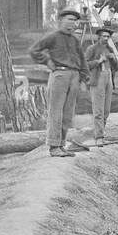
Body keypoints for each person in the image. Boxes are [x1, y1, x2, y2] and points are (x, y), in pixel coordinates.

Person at [29, 8, 90, 157]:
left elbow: (82, 60)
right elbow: (34, 50)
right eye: (69, 19)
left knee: (67, 114)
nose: (72, 23)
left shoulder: (74, 40)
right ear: (60, 21)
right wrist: (47, 61)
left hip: (74, 77)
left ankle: (62, 145)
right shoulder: (53, 37)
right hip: (60, 75)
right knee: (56, 111)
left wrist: (84, 78)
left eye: (75, 21)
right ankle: (54, 146)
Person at [84, 24, 118, 146]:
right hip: (97, 78)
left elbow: (116, 68)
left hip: (108, 77)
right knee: (98, 110)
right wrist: (98, 61)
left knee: (106, 110)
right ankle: (99, 137)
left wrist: (113, 59)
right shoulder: (91, 49)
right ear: (99, 37)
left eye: (108, 36)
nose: (106, 38)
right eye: (104, 36)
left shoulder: (110, 49)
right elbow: (85, 65)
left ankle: (100, 132)